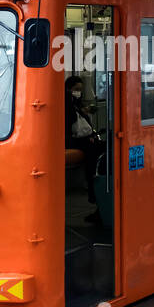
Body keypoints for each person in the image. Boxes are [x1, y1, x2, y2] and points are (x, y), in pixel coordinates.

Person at [65, 76, 104, 219]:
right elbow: (70, 127)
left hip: (83, 139)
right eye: (76, 90)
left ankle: (97, 191)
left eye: (80, 90)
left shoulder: (75, 104)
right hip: (72, 140)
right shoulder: (67, 104)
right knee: (94, 153)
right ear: (68, 89)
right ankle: (94, 188)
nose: (78, 93)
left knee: (102, 148)